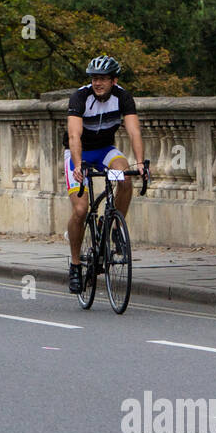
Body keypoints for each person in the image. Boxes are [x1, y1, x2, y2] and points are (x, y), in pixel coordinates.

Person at [64, 55, 147, 294]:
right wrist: (79, 165)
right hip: (79, 153)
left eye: (102, 79)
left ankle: (113, 226)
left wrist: (140, 162)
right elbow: (74, 136)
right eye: (94, 79)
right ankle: (75, 264)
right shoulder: (80, 97)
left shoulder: (123, 97)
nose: (97, 83)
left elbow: (134, 132)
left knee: (125, 177)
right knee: (80, 210)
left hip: (105, 150)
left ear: (114, 80)